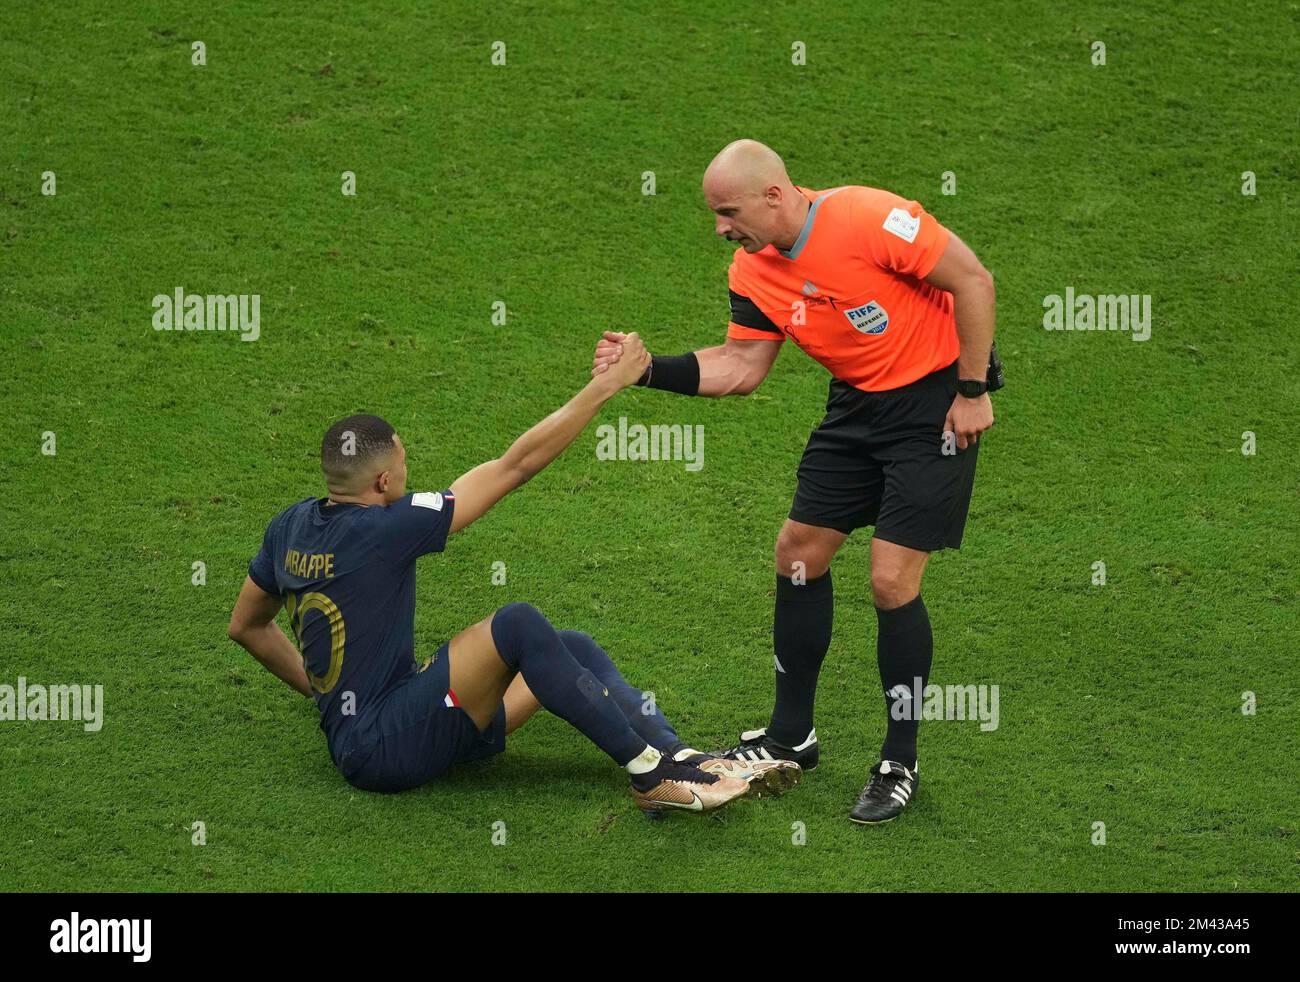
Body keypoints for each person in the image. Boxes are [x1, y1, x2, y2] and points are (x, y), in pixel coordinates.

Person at [591, 140, 1000, 824]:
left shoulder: (869, 218)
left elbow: (974, 281)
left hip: (935, 404)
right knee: (798, 554)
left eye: (729, 212)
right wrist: (648, 370)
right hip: (857, 404)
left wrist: (973, 389)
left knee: (891, 579)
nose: (720, 227)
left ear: (774, 195)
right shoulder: (753, 268)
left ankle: (899, 761)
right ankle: (791, 736)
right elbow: (741, 366)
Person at [227, 333, 799, 816]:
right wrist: (606, 385)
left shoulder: (288, 527)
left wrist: (325, 697)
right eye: (403, 466)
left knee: (567, 648)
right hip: (384, 749)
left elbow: (246, 626)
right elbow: (515, 465)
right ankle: (651, 776)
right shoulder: (385, 528)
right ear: (381, 482)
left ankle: (681, 757)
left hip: (401, 721)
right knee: (518, 624)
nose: (406, 475)